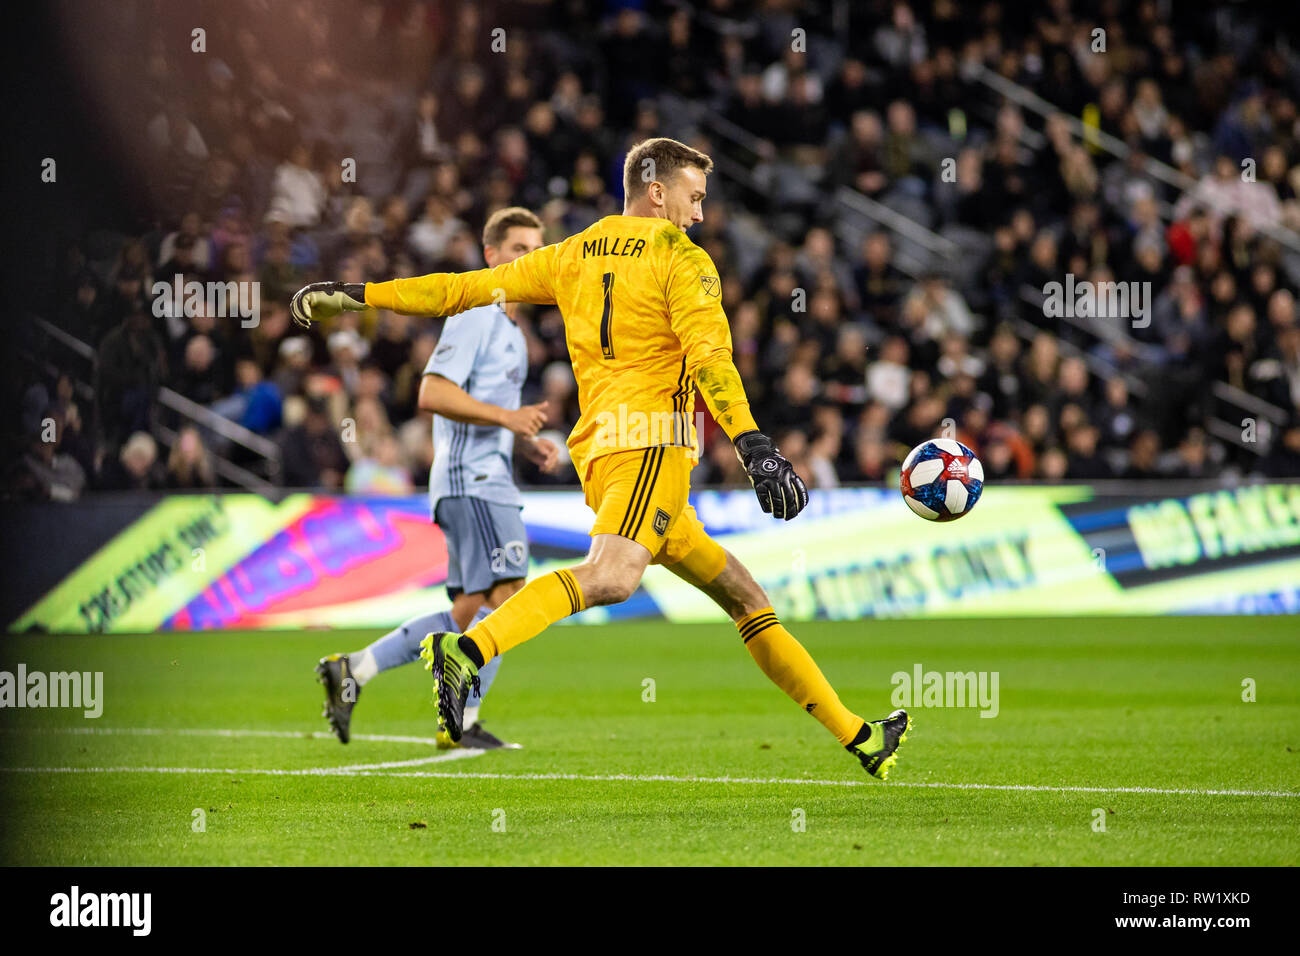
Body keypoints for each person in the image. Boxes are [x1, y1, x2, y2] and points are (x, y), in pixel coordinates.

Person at [292, 138, 909, 779]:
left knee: (745, 597)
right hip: (651, 447)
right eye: (694, 198)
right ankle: (468, 647)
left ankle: (859, 736)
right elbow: (710, 357)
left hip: (606, 453)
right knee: (613, 577)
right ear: (657, 190)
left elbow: (460, 289)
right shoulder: (681, 257)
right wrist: (754, 444)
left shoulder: (570, 253)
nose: (699, 214)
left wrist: (360, 295)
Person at [315, 207, 561, 751]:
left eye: (538, 250)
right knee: (510, 597)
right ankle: (463, 723)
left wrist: (524, 438)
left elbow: (489, 405)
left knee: (469, 612)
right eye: (519, 249)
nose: (532, 260)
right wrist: (506, 420)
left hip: (487, 477)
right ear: (491, 256)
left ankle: (354, 669)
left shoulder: (515, 335)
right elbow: (433, 393)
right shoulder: (476, 312)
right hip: (470, 479)